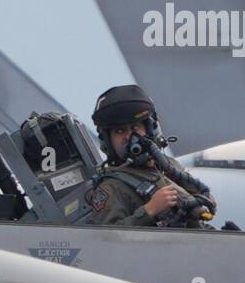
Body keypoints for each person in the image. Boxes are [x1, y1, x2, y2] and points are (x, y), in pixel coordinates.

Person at [84, 84, 217, 228]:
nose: (130, 137)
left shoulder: (168, 166)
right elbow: (105, 239)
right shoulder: (111, 187)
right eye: (120, 131)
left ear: (151, 129)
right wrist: (150, 210)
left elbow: (202, 200)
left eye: (136, 127)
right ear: (107, 142)